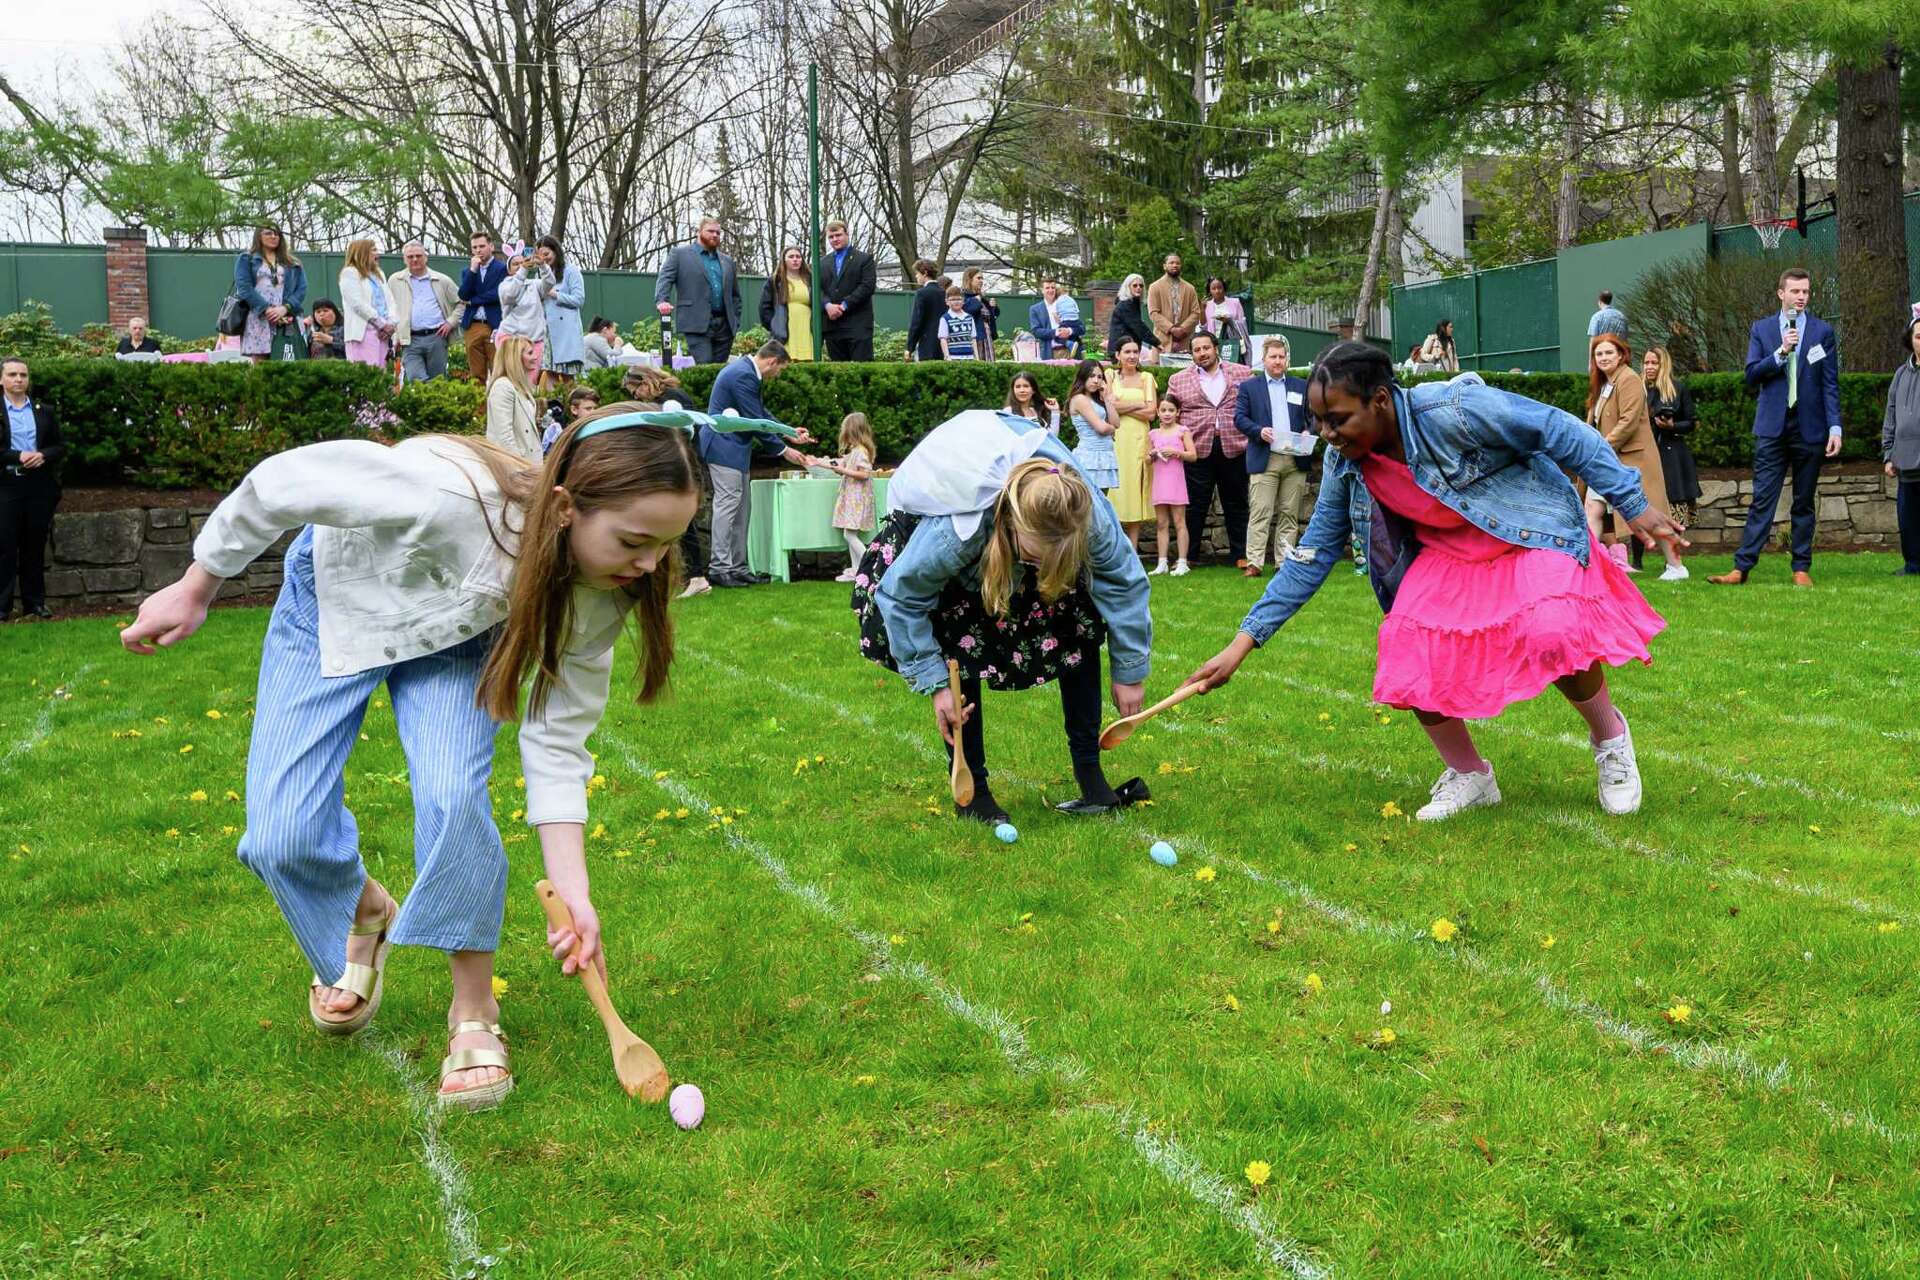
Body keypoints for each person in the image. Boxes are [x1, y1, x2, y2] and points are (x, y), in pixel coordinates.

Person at [118, 407, 713, 1110]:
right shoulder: (441, 494)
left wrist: (573, 891)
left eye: (666, 546)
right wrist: (198, 584)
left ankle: (474, 1013)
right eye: (635, 541)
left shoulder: (601, 595)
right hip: (338, 604)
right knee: (280, 837)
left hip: (462, 642)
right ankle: (366, 910)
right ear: (564, 507)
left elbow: (556, 742)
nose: (650, 567)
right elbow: (283, 482)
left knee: (454, 801)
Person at [1184, 342, 1686, 822]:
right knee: (1406, 650)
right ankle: (1470, 775)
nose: (1328, 434)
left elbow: (1560, 430)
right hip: (1447, 555)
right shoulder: (1344, 461)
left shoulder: (1454, 407)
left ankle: (1610, 740)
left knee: (1553, 630)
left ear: (1380, 400)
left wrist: (1632, 502)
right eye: (1319, 422)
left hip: (1525, 531)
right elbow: (1311, 555)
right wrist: (1242, 643)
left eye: (1337, 420)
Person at [850, 409, 1152, 820]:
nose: (1040, 569)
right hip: (952, 514)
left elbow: (1124, 581)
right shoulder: (957, 532)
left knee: (1077, 627)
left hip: (1017, 512)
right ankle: (973, 792)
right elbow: (902, 598)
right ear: (1012, 525)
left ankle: (1091, 778)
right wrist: (937, 685)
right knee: (961, 645)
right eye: (1035, 556)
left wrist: (1129, 670)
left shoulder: (1085, 515)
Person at [1710, 267, 1843, 588]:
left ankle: (1800, 568)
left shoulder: (1823, 332)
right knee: (1762, 499)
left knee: (1803, 501)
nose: (1801, 297)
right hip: (1772, 427)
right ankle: (1741, 568)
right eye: (1795, 291)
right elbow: (1752, 374)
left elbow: (1830, 384)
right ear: (1781, 293)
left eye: (1806, 292)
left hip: (1810, 428)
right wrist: (1782, 351)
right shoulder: (1763, 329)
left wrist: (1835, 427)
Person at [701, 340, 818, 587]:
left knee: (742, 508)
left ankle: (738, 566)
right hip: (723, 447)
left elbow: (759, 412)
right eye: (781, 369)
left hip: (734, 450)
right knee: (728, 506)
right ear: (772, 361)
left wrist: (787, 431)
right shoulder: (743, 375)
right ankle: (719, 568)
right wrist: (785, 450)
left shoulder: (746, 371)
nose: (778, 374)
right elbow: (755, 420)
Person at [1582, 334, 1678, 578]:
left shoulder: (1629, 379)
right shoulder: (1604, 384)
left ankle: (1676, 566)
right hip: (1609, 460)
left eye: (1608, 353)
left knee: (1652, 515)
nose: (1603, 358)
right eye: (1599, 354)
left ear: (1621, 355)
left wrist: (1600, 448)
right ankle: (1588, 565)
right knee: (1592, 507)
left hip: (1633, 459)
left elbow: (1628, 421)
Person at [1164, 331, 1256, 567]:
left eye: (1206, 348)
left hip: (1234, 445)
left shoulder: (1243, 373)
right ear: (1191, 354)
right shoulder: (1178, 380)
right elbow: (1169, 415)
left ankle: (1241, 555)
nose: (1202, 353)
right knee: (1195, 504)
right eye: (1197, 350)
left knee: (1236, 502)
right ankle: (1190, 556)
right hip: (1196, 448)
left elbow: (1253, 407)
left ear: (1216, 348)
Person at [622, 365, 711, 599]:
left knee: (683, 524)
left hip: (680, 467)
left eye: (634, 391)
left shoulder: (670, 401)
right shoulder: (675, 396)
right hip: (684, 465)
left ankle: (697, 576)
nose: (635, 397)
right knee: (681, 523)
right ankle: (692, 576)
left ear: (644, 383)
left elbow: (676, 436)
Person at [1236, 335, 1316, 574]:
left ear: (1287, 360)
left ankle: (1284, 561)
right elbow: (1239, 419)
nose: (1278, 361)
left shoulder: (1301, 386)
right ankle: (1254, 563)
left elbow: (1313, 418)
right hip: (1265, 457)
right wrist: (1259, 431)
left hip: (1294, 458)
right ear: (1264, 359)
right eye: (1273, 357)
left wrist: (1307, 430)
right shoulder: (1249, 387)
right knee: (1260, 512)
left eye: (1282, 357)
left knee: (1289, 513)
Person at [1, 357, 62, 620]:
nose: (18, 380)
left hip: (39, 485)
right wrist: (19, 457)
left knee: (34, 546)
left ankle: (34, 603)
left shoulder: (43, 410)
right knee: (4, 546)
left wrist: (43, 455)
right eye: (12, 374)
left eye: (23, 375)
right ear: (1, 379)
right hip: (6, 485)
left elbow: (60, 445)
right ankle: (2, 606)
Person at [1642, 346, 1700, 572]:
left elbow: (1692, 421)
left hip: (1673, 454)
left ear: (1663, 364)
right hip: (1646, 455)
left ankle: (1674, 562)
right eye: (1646, 363)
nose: (1649, 367)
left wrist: (1672, 425)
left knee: (1674, 506)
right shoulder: (1639, 390)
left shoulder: (1677, 389)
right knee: (1642, 503)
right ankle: (1636, 562)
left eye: (1654, 363)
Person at [654, 216, 741, 364]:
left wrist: (735, 320)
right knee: (705, 365)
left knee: (719, 370)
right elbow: (665, 278)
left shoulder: (727, 261)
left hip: (725, 326)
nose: (715, 235)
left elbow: (735, 295)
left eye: (718, 233)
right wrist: (662, 300)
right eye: (710, 231)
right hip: (696, 322)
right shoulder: (679, 254)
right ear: (699, 232)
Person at [387, 243, 463, 383]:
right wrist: (396, 335)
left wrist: (451, 322)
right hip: (410, 340)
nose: (414, 259)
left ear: (426, 257)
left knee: (437, 381)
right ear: (404, 259)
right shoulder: (395, 281)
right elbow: (391, 310)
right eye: (410, 256)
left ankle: (436, 404)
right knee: (416, 379)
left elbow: (462, 303)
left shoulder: (442, 280)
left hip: (437, 336)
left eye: (418, 256)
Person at [1108, 337, 1157, 545]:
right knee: (1117, 491)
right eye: (1127, 352)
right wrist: (1137, 404)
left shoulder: (1146, 377)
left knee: (1135, 491)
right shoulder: (1109, 375)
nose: (1132, 356)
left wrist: (1123, 406)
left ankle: (1134, 551)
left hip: (1139, 440)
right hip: (1117, 440)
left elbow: (1152, 413)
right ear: (1117, 355)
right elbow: (1109, 407)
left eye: (1135, 351)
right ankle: (1115, 548)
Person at [234, 224, 307, 362]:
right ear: (258, 236)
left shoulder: (293, 263)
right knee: (260, 367)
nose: (274, 236)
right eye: (268, 233)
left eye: (277, 234)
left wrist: (285, 308)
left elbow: (301, 289)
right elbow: (244, 288)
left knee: (286, 363)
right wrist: (266, 309)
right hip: (258, 318)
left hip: (285, 319)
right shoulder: (246, 259)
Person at [1884, 307, 1920, 576]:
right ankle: (1912, 565)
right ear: (1910, 339)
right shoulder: (1900, 374)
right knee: (1908, 520)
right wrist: (1888, 454)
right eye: (1919, 336)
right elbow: (1891, 415)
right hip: (1905, 461)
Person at [1148, 398, 1197, 575]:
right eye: (1164, 410)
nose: (1167, 413)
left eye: (1171, 410)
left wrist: (1177, 452)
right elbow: (1146, 460)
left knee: (1179, 521)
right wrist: (1152, 454)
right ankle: (1162, 563)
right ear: (1158, 412)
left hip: (1176, 481)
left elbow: (1193, 455)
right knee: (1161, 523)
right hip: (1160, 481)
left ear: (1178, 412)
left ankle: (1182, 561)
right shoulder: (1153, 434)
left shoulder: (1182, 431)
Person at [828, 412, 878, 582]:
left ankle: (869, 565)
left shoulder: (861, 452)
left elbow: (864, 474)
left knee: (849, 535)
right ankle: (857, 571)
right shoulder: (855, 451)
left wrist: (842, 471)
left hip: (857, 499)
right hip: (852, 498)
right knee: (849, 533)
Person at [820, 220, 877, 361]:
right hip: (833, 326)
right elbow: (815, 289)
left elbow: (867, 286)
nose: (835, 239)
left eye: (838, 235)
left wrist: (844, 306)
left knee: (862, 371)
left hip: (858, 325)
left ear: (847, 234)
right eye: (831, 237)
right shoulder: (821, 263)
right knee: (838, 373)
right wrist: (827, 305)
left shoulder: (864, 259)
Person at [535, 237, 587, 386]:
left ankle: (570, 405)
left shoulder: (571, 271)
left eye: (547, 254)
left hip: (566, 333)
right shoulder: (541, 273)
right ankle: (553, 405)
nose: (544, 259)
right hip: (547, 332)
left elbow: (579, 300)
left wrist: (555, 294)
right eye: (541, 255)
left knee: (567, 376)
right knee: (550, 372)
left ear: (556, 251)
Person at [457, 230, 509, 382]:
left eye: (481, 246)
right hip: (473, 326)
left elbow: (498, 293)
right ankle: (479, 406)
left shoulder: (502, 269)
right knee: (476, 375)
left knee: (499, 372)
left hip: (495, 325)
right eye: (474, 247)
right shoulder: (468, 271)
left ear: (491, 246)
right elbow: (463, 295)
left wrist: (474, 301)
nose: (478, 250)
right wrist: (473, 270)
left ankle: (498, 405)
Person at [338, 239, 395, 369]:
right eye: (373, 250)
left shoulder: (379, 274)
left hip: (383, 335)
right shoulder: (350, 273)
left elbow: (390, 301)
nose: (377, 254)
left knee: (384, 377)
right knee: (365, 376)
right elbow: (357, 304)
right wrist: (382, 324)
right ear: (362, 252)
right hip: (363, 334)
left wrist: (391, 324)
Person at [486, 336, 543, 461]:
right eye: (530, 353)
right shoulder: (502, 387)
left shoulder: (521, 387)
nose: (536, 357)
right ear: (516, 358)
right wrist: (520, 466)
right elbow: (504, 436)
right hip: (514, 467)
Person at [1067, 360, 1119, 493]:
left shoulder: (1096, 399)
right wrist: (1111, 429)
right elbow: (1101, 428)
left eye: (1099, 377)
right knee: (1090, 503)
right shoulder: (1080, 399)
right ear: (1083, 376)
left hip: (1103, 456)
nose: (1096, 380)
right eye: (1091, 376)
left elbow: (1116, 423)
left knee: (1101, 502)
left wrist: (1107, 399)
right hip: (1089, 457)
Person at [496, 246, 554, 364]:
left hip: (535, 340)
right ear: (509, 270)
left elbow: (549, 284)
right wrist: (522, 271)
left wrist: (543, 266)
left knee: (531, 380)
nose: (520, 266)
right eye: (515, 264)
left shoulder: (534, 284)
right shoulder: (504, 285)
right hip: (511, 339)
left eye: (522, 262)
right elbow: (510, 295)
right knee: (514, 377)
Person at [758, 245, 815, 361]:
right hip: (785, 331)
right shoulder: (775, 280)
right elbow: (764, 307)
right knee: (785, 362)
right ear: (784, 260)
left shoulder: (810, 279)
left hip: (807, 328)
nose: (795, 259)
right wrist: (774, 325)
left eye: (798, 257)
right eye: (791, 257)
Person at [1147, 253, 1202, 357]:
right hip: (1162, 340)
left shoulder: (1190, 288)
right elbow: (1153, 313)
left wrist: (1183, 329)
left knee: (1183, 371)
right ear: (1164, 266)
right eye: (1171, 263)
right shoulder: (1155, 287)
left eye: (1177, 263)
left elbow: (1196, 312)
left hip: (1184, 340)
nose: (1175, 265)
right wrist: (1171, 329)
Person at [1107, 274, 1159, 362]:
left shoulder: (1134, 303)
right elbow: (1138, 327)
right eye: (1135, 285)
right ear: (1128, 287)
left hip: (1127, 349)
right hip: (1121, 351)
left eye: (1141, 285)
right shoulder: (1126, 304)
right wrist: (1157, 343)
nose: (1138, 288)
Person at [1201, 278, 1250, 366]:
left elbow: (1242, 323)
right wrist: (1202, 310)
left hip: (1232, 343)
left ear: (1224, 288)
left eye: (1220, 288)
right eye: (1213, 288)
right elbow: (1204, 327)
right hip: (1214, 342)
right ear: (1210, 291)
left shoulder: (1235, 303)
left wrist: (1229, 321)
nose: (1217, 291)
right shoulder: (1207, 305)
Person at [1029, 280, 1083, 358]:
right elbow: (1036, 331)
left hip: (1072, 353)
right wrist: (1056, 332)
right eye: (1047, 288)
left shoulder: (1065, 304)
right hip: (1050, 353)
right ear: (1042, 290)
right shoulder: (1035, 309)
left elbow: (1081, 328)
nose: (1050, 290)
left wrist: (1069, 331)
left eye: (1053, 287)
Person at [543, 384, 602, 455]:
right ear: (574, 410)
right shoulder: (568, 437)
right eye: (588, 409)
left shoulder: (600, 431)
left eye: (595, 408)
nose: (593, 412)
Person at [905, 259, 945, 362]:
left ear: (925, 273)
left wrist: (910, 347)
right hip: (944, 344)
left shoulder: (922, 293)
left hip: (927, 344)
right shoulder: (944, 293)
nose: (916, 276)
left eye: (917, 273)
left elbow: (916, 322)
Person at [961, 269, 1000, 361]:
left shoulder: (981, 297)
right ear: (969, 279)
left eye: (982, 278)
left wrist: (993, 308)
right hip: (975, 337)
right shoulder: (963, 296)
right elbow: (966, 312)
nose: (981, 281)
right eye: (978, 278)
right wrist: (976, 300)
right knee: (979, 361)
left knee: (989, 362)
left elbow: (991, 316)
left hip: (987, 335)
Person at [938, 287, 982, 361]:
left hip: (969, 357)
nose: (956, 302)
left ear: (963, 301)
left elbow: (973, 339)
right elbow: (943, 339)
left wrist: (977, 358)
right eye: (953, 299)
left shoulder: (969, 318)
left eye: (959, 299)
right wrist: (947, 357)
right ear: (947, 302)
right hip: (953, 358)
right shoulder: (945, 318)